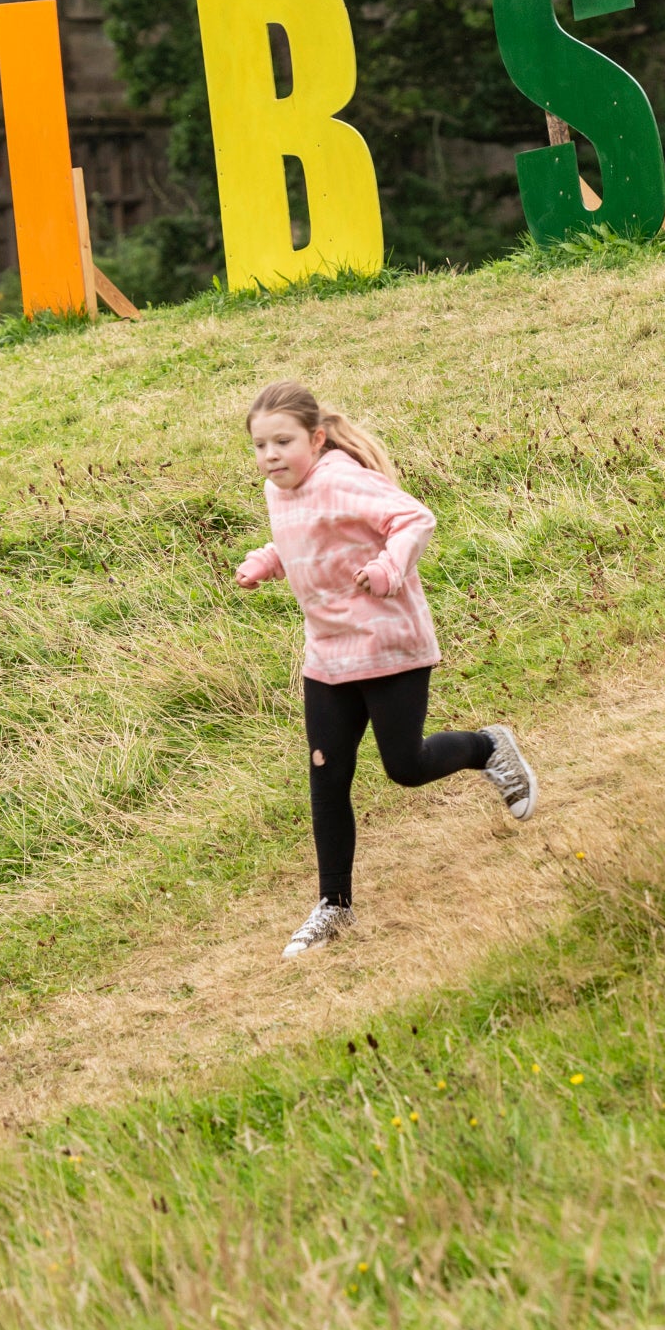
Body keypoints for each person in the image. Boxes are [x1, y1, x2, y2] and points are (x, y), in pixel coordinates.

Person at [235, 379, 537, 957]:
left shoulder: (342, 478)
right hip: (327, 654)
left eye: (282, 442)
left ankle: (487, 747)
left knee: (405, 766)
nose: (270, 456)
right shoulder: (279, 492)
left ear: (316, 439)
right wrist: (267, 561)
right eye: (259, 446)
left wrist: (387, 569)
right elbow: (306, 541)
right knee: (327, 775)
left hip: (388, 645)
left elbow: (414, 519)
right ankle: (334, 907)